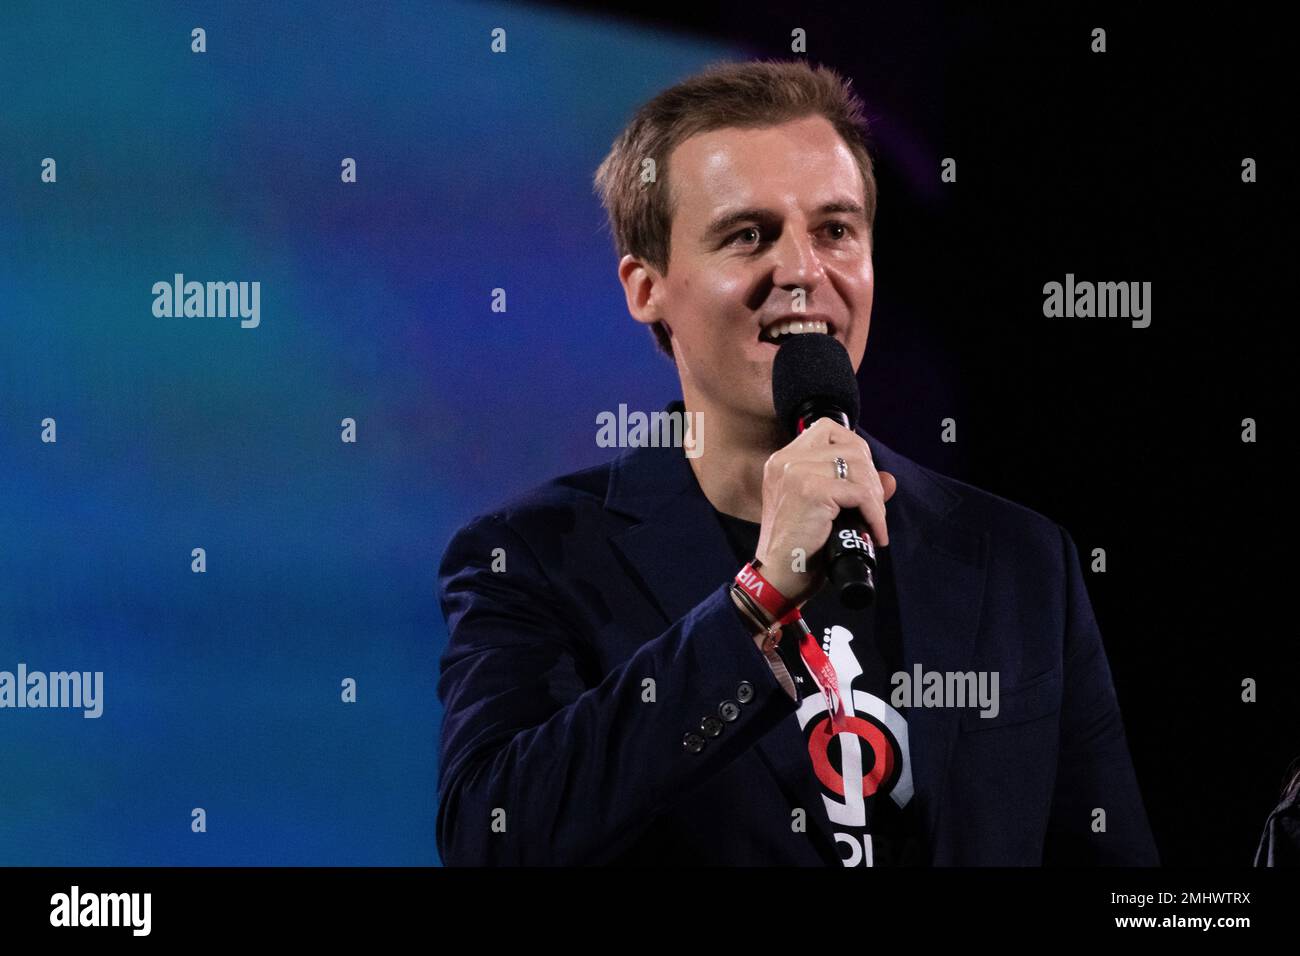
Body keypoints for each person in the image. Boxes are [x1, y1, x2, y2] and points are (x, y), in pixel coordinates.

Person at [435, 59, 1158, 866]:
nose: (803, 271)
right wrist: (757, 602)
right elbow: (492, 837)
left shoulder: (1018, 559)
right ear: (646, 288)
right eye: (749, 235)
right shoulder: (534, 558)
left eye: (835, 231)